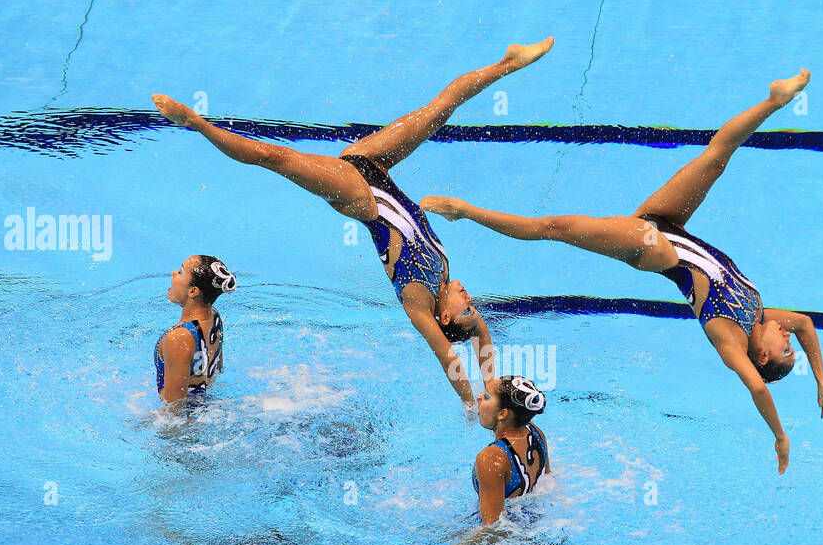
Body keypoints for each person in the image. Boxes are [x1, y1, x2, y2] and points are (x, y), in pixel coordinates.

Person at [423, 70, 823, 473]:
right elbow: (808, 325)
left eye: (785, 349)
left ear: (761, 354)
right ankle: (774, 101)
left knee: (554, 228)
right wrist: (821, 378)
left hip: (653, 249)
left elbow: (757, 386)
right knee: (715, 158)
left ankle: (466, 211)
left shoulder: (730, 337)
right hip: (669, 224)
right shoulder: (762, 316)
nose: (788, 335)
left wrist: (779, 435)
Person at [151, 38, 555, 412]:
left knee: (277, 158)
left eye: (466, 306)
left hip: (360, 196)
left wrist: (471, 403)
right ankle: (508, 62)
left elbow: (447, 354)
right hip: (373, 164)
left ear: (445, 318)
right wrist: (490, 385)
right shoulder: (449, 285)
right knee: (439, 110)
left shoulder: (417, 301)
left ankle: (197, 123)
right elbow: (481, 336)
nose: (469, 297)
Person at [155, 254, 236, 407]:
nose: (173, 273)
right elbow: (217, 369)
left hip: (188, 421)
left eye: (181, 272)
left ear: (193, 291)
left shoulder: (179, 337)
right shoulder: (214, 317)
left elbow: (173, 409)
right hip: (205, 408)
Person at [473, 376, 550, 524]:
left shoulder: (491, 458)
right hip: (530, 521)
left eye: (487, 397)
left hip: (510, 538)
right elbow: (548, 482)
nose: (479, 397)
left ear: (502, 413)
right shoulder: (536, 433)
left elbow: (492, 530)